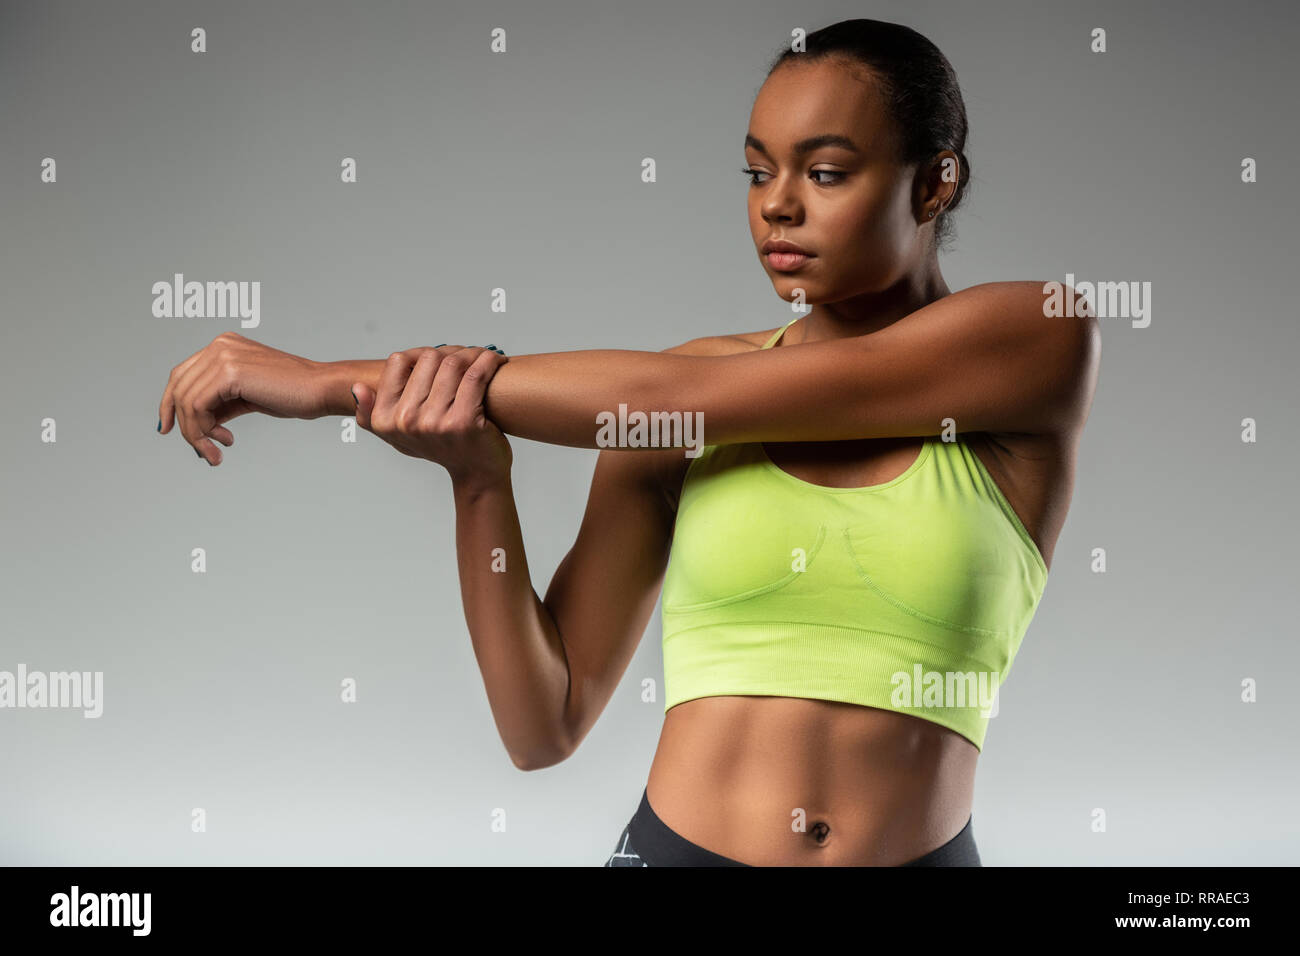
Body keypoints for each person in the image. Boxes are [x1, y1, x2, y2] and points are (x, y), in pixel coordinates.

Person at [156, 19, 1099, 865]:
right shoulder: (686, 399)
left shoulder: (1037, 337)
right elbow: (543, 726)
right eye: (756, 170)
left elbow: (680, 394)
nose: (776, 205)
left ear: (936, 183)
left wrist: (327, 382)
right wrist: (479, 483)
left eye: (823, 171)